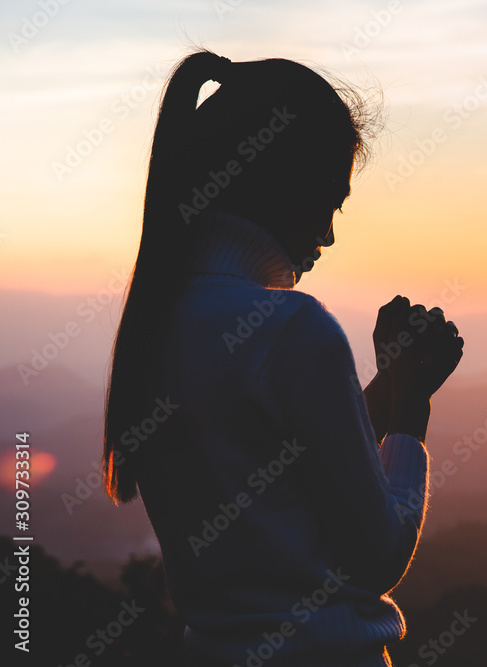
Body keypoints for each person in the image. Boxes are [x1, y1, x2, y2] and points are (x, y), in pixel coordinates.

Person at [101, 50, 463, 666]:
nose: (329, 235)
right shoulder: (293, 328)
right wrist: (411, 413)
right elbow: (379, 555)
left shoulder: (161, 323)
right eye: (332, 203)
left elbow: (282, 462)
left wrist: (391, 383)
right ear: (287, 185)